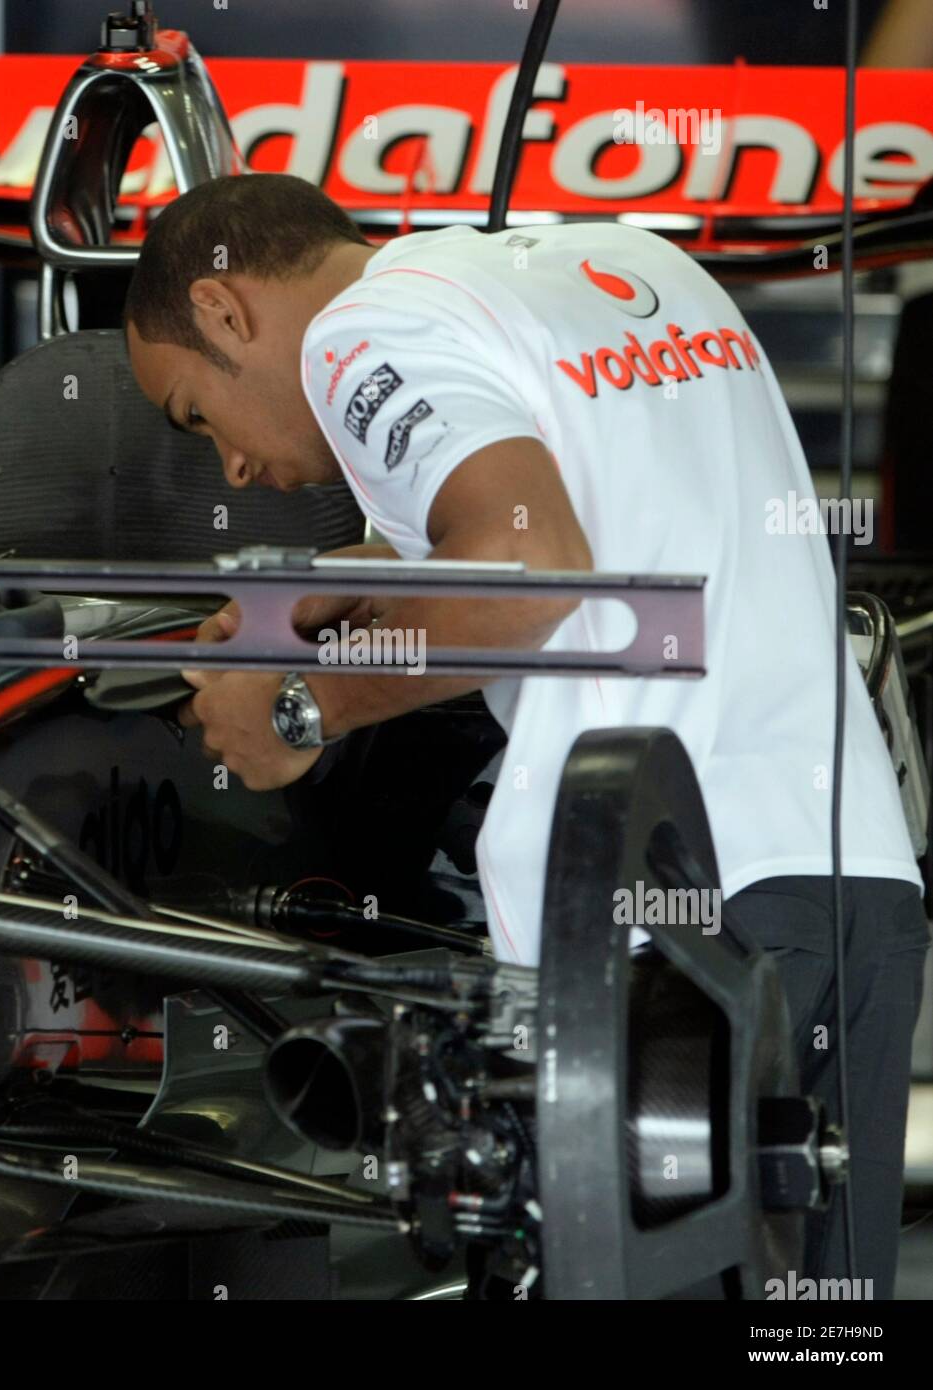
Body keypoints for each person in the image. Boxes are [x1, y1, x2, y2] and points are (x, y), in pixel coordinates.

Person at [123, 172, 929, 1296]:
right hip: (846, 887)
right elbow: (583, 537)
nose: (235, 468)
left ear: (222, 310)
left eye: (198, 418)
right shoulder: (627, 266)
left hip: (662, 931)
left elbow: (527, 571)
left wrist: (303, 709)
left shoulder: (360, 334)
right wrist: (319, 593)